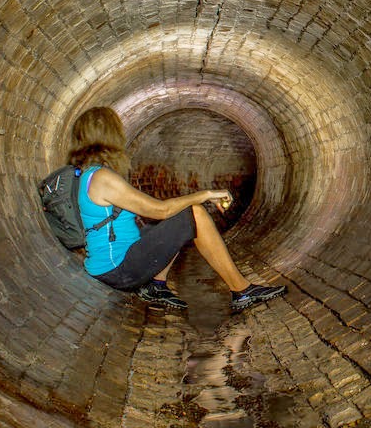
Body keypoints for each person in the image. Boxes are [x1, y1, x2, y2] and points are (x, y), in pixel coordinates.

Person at [66, 106, 286, 313]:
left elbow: (161, 214)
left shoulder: (89, 173)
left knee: (176, 218)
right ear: (110, 135)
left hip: (114, 262)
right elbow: (160, 211)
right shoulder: (103, 178)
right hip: (118, 269)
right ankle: (242, 291)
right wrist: (207, 194)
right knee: (194, 213)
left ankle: (156, 286)